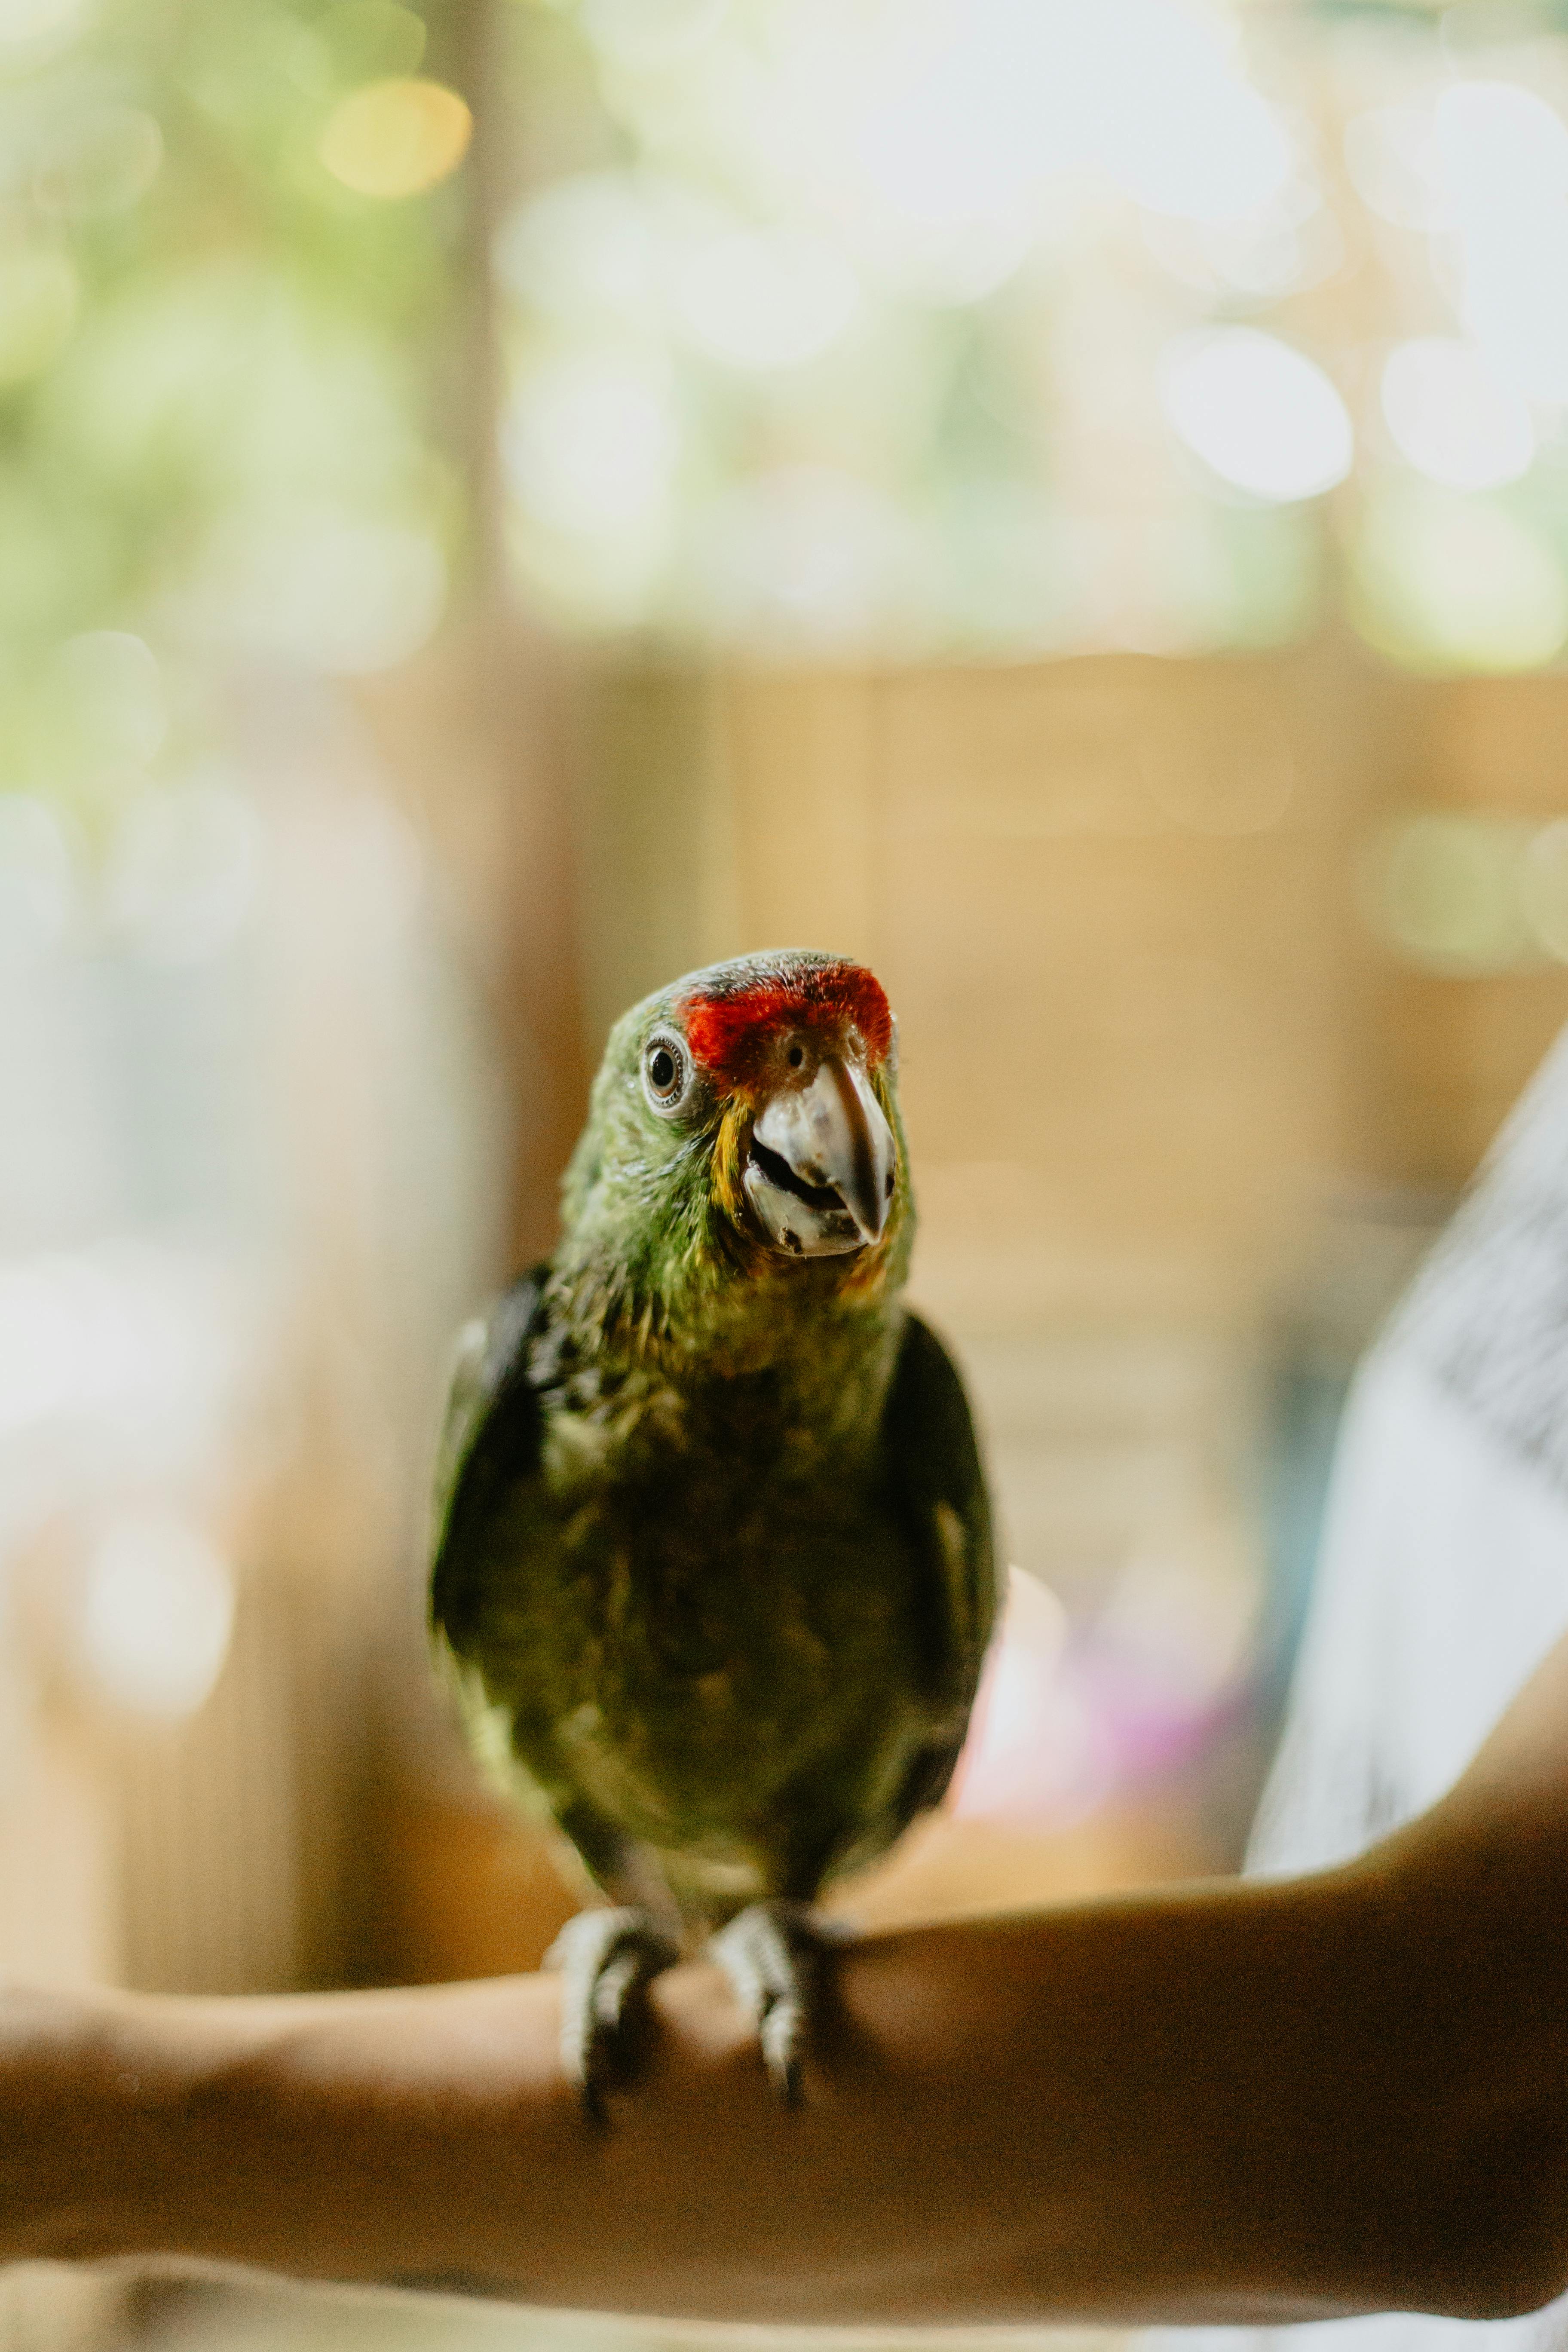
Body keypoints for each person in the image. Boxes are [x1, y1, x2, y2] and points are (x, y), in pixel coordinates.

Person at [6, 1039, 1568, 2331]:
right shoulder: (511, 1398)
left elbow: (1470, 2094)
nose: (821, 1097)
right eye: (685, 1079)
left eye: (853, 1064)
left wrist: (86, 2125)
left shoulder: (905, 1412)